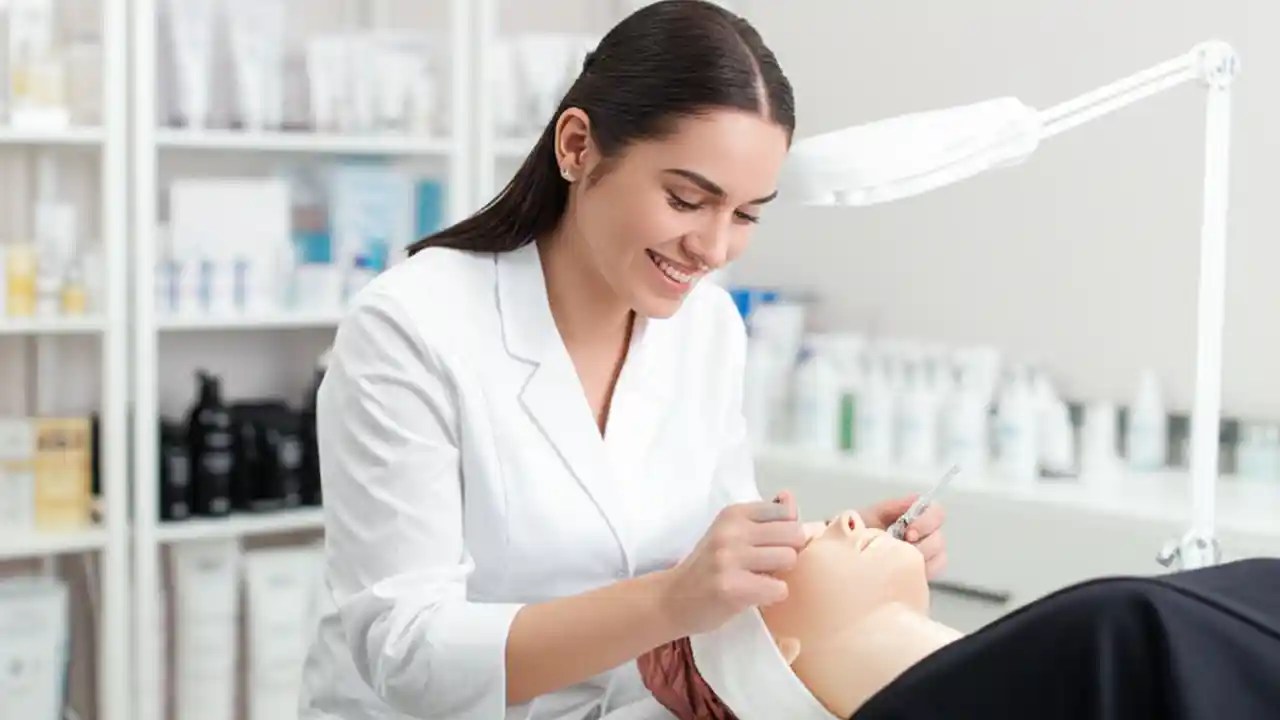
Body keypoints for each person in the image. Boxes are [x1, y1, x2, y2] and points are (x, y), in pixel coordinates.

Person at [297, 2, 949, 719]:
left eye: (746, 215)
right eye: (686, 199)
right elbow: (406, 654)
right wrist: (669, 600)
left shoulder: (707, 328)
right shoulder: (411, 328)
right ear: (577, 146)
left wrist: (820, 562)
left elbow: (712, 583)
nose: (713, 247)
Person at [638, 508, 1280, 720]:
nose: (846, 518)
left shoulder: (1088, 642)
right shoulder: (1108, 641)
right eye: (804, 543)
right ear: (779, 657)